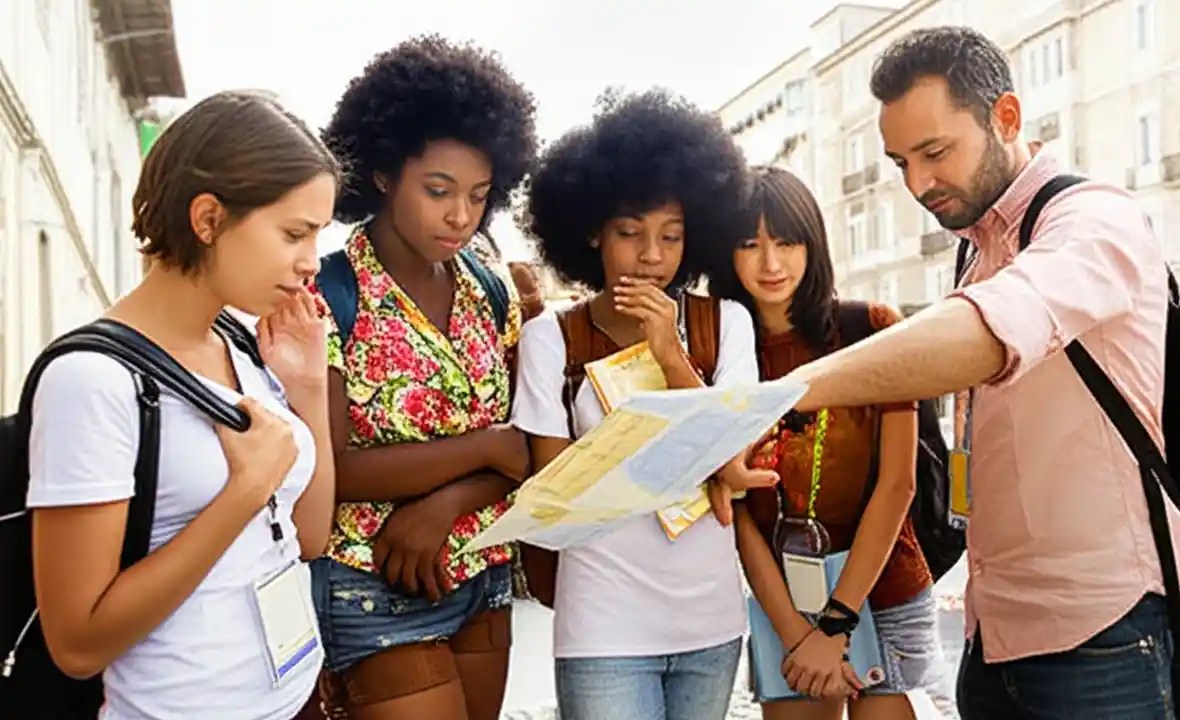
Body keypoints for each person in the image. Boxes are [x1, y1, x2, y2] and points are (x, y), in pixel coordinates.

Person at [779, 27, 1180, 719]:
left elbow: (991, 326)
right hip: (995, 635)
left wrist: (787, 392)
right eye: (899, 163)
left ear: (1005, 118)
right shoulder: (977, 247)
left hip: (1108, 634)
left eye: (935, 153)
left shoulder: (1093, 218)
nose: (918, 184)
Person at [27, 90, 339, 719]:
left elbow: (307, 535)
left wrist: (307, 390)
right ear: (208, 219)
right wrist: (241, 494)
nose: (311, 263)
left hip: (293, 699)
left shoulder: (245, 347)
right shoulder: (93, 381)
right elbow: (78, 644)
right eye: (294, 234)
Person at [511, 88, 774, 720]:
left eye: (672, 236)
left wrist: (670, 354)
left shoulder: (725, 324)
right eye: (630, 233)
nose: (652, 256)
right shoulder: (552, 336)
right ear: (593, 233)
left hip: (709, 617)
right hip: (603, 619)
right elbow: (556, 494)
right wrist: (692, 456)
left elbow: (733, 461)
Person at [306, 35, 538, 720]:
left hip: (483, 570)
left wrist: (444, 504)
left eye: (478, 195)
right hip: (372, 581)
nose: (461, 216)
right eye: (438, 190)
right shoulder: (326, 293)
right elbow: (334, 470)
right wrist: (484, 448)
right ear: (383, 172)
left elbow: (524, 449)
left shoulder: (491, 293)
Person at [709, 166, 952, 720]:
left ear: (812, 245)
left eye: (787, 242)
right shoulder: (722, 356)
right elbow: (736, 510)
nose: (771, 263)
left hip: (886, 590)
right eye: (750, 244)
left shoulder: (871, 328)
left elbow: (898, 484)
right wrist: (797, 632)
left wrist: (838, 621)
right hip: (784, 602)